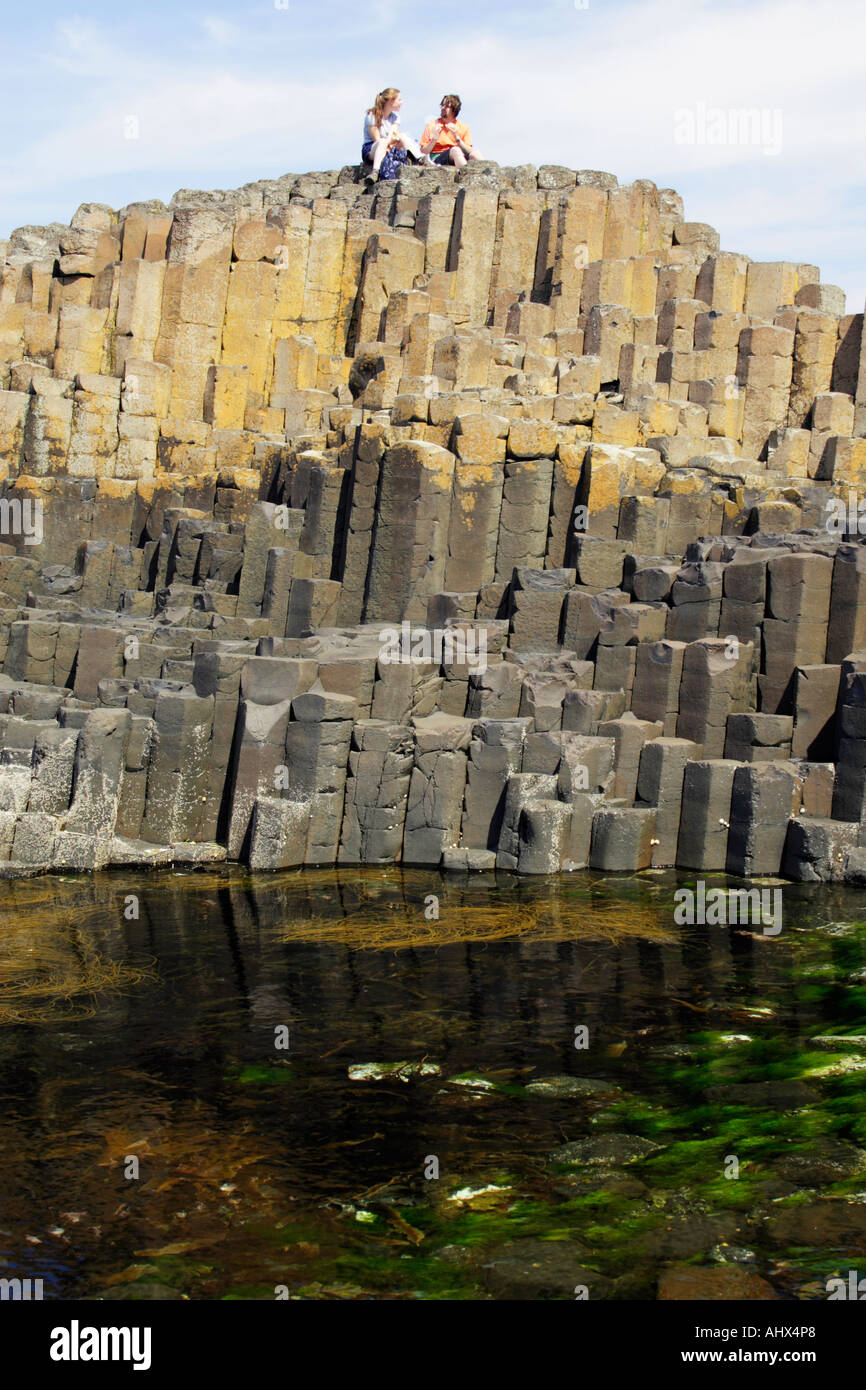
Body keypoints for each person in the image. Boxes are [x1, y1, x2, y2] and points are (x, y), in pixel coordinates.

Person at [361, 88, 423, 187]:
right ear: (391, 100)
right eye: (399, 100)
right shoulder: (371, 116)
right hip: (372, 148)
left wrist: (395, 141)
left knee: (402, 136)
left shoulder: (396, 117)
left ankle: (420, 159)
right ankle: (375, 172)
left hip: (389, 145)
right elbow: (377, 139)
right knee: (382, 141)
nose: (401, 102)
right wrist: (391, 142)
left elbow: (393, 135)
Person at [420, 95, 482, 167]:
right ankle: (464, 175)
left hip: (458, 156)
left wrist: (457, 138)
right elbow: (423, 151)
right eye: (442, 105)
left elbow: (469, 150)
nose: (443, 108)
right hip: (438, 157)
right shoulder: (432, 125)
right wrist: (434, 139)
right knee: (455, 150)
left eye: (446, 106)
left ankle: (490, 175)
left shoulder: (463, 127)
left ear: (454, 109)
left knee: (476, 154)